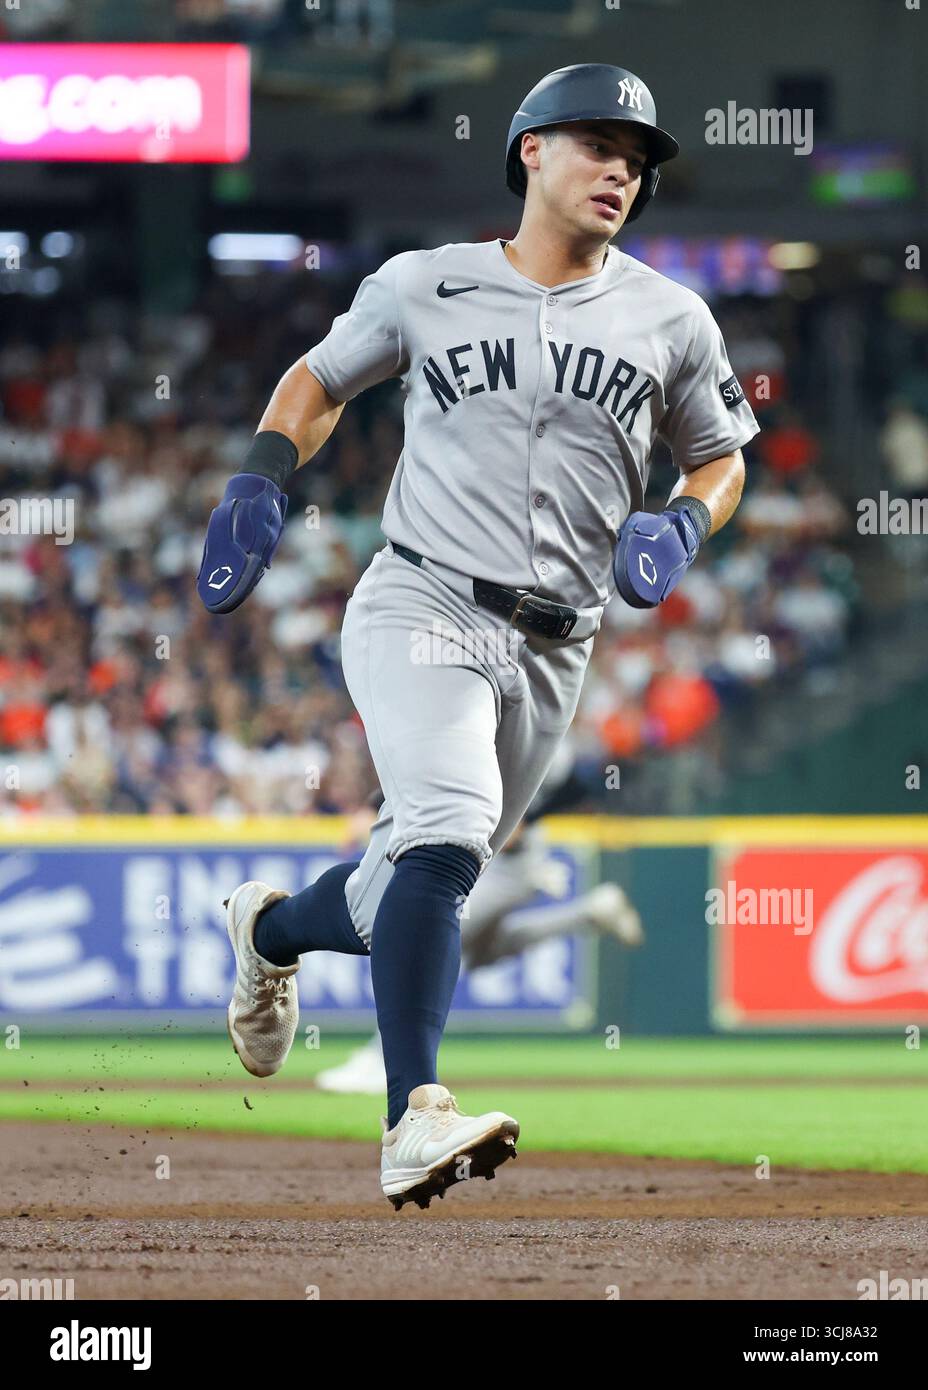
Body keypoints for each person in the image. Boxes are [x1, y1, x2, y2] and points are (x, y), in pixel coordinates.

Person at [197, 63, 758, 1210]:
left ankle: (273, 929)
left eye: (638, 158)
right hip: (422, 599)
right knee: (447, 836)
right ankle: (415, 1114)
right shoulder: (426, 283)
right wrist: (260, 479)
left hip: (556, 646)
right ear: (529, 151)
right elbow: (318, 377)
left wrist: (687, 521)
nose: (622, 170)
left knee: (412, 881)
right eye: (599, 143)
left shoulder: (672, 315)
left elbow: (721, 456)